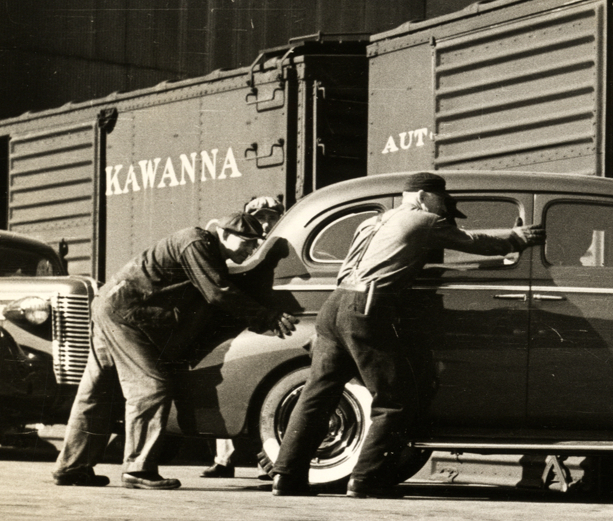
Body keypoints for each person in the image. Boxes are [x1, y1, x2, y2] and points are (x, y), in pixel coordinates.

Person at [271, 171, 544, 498]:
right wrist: (517, 237)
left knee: (317, 394)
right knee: (395, 400)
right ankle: (367, 479)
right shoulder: (424, 220)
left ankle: (286, 476)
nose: (442, 209)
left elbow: (353, 268)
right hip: (368, 306)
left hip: (336, 304)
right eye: (441, 200)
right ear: (425, 196)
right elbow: (472, 241)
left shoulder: (374, 221)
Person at [52, 211, 298, 489]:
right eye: (247, 242)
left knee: (96, 392)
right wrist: (268, 317)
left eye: (256, 244)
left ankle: (71, 467)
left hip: (112, 308)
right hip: (126, 315)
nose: (252, 249)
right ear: (224, 235)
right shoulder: (197, 243)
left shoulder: (203, 247)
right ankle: (138, 468)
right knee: (150, 388)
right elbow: (218, 292)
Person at [203, 195, 285, 480]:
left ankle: (266, 462)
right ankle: (223, 459)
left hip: (253, 315)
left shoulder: (274, 243)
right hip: (234, 314)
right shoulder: (241, 243)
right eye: (259, 216)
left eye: (270, 217)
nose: (264, 222)